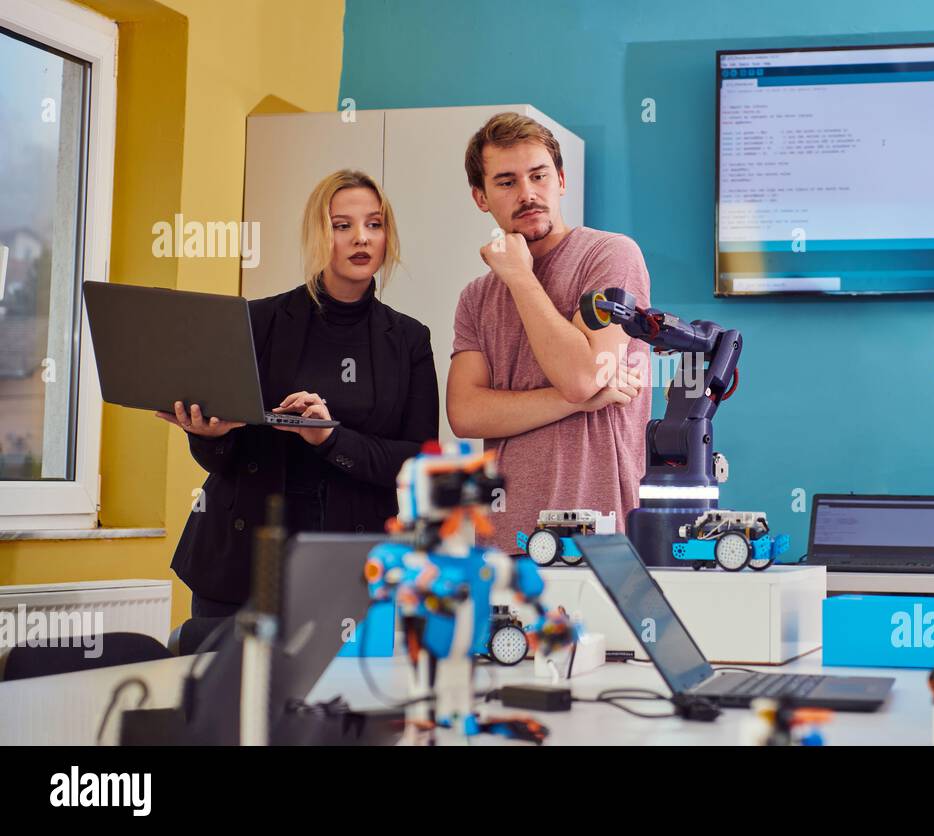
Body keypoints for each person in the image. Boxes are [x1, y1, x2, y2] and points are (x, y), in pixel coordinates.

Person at [159, 169, 439, 617]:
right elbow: (225, 461)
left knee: (345, 688)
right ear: (317, 235)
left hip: (353, 562)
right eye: (341, 225)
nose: (361, 239)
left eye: (374, 223)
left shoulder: (408, 339)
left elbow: (416, 462)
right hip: (243, 560)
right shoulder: (256, 321)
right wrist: (208, 435)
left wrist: (330, 438)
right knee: (229, 687)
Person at [447, 112, 650, 553]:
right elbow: (465, 413)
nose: (527, 194)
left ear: (560, 179)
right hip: (502, 540)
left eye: (538, 176)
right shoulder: (476, 297)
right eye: (506, 182)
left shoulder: (610, 255)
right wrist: (579, 400)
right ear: (480, 198)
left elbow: (578, 374)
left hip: (601, 536)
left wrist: (520, 277)